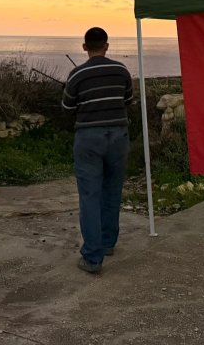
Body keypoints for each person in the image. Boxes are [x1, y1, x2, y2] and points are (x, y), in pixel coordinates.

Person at [62, 27, 134, 274]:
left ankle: (93, 258)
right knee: (112, 190)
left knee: (90, 194)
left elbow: (67, 106)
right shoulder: (121, 70)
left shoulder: (77, 74)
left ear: (84, 47)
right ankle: (107, 243)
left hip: (89, 137)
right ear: (107, 45)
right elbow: (128, 99)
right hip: (118, 135)